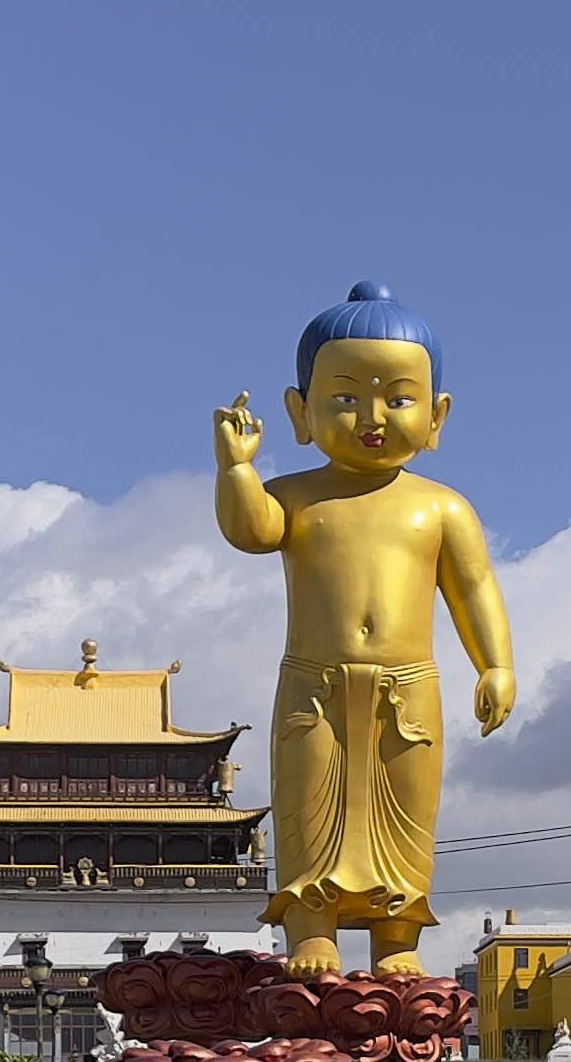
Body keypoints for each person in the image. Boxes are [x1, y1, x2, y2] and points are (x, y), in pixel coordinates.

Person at [214, 283, 518, 972]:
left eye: (398, 398)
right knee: (309, 809)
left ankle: (396, 940)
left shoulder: (441, 509)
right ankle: (312, 928)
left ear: (437, 416)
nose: (372, 417)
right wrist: (237, 469)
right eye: (345, 398)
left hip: (408, 687)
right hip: (313, 684)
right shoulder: (295, 495)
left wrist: (495, 663)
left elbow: (473, 589)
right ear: (300, 411)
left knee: (406, 816)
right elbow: (251, 531)